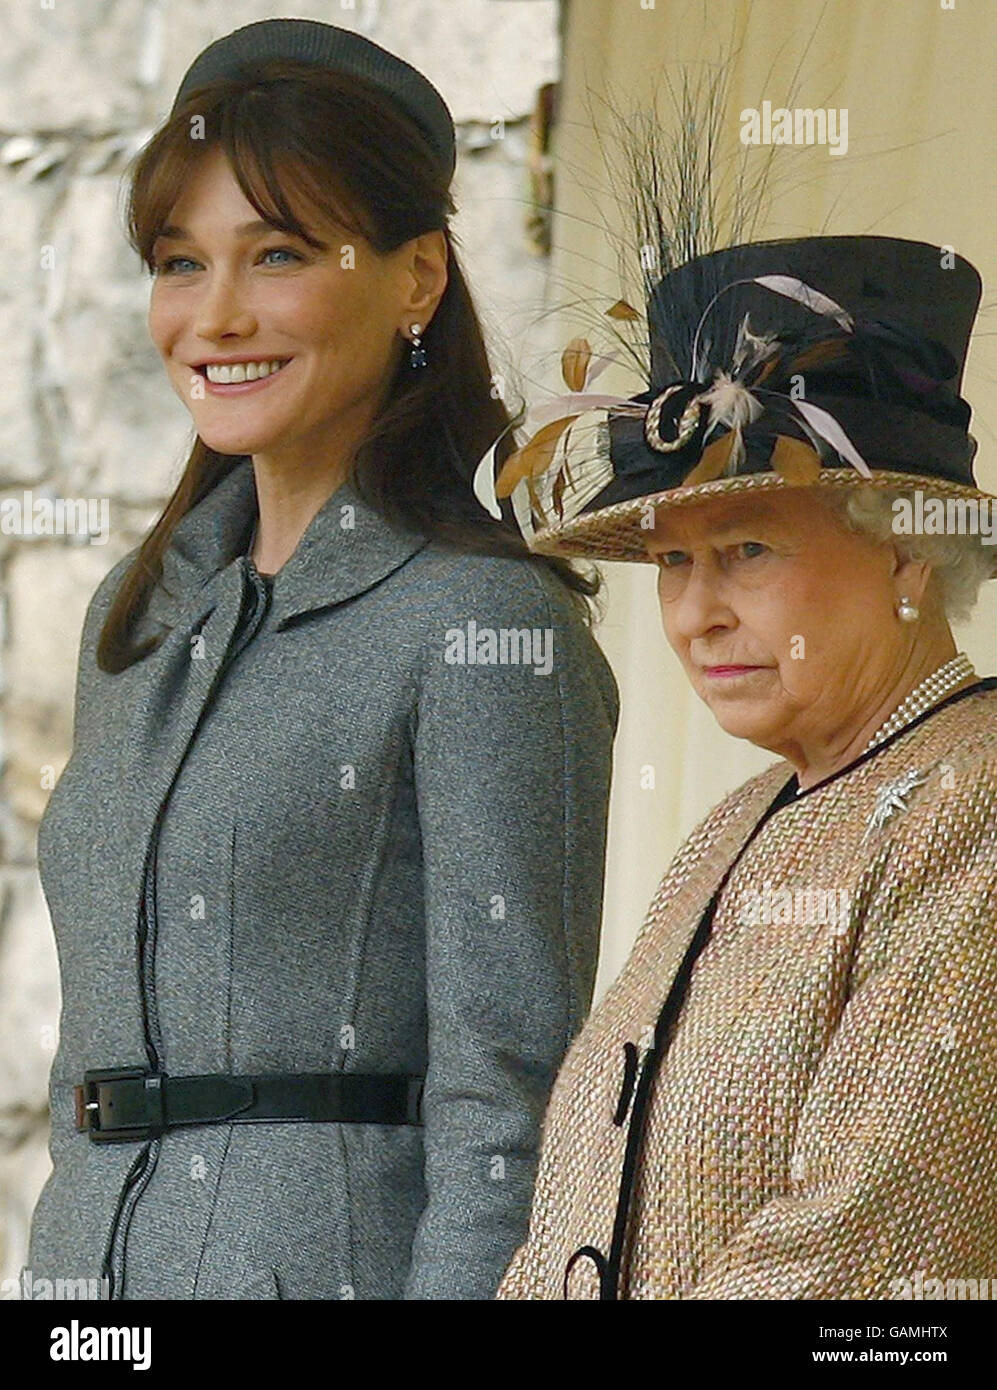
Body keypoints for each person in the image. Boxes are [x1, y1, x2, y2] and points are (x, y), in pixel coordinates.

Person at [24, 19, 619, 1301]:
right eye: (180, 261)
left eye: (279, 253)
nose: (214, 315)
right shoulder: (134, 625)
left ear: (417, 278)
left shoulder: (483, 625)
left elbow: (507, 1107)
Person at [480, 231, 997, 1298]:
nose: (696, 614)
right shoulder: (736, 822)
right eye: (673, 561)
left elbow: (867, 1242)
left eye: (748, 550)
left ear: (903, 549)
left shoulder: (972, 799)